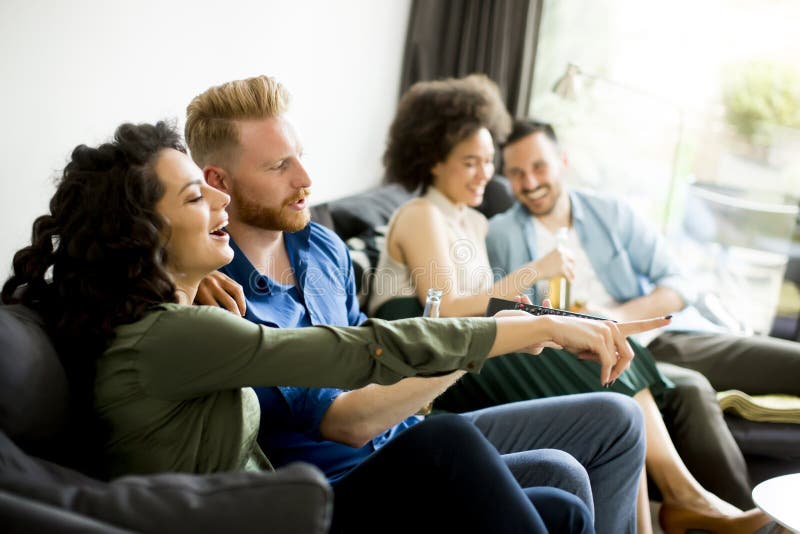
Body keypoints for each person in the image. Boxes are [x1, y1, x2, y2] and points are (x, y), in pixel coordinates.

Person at [185, 74, 653, 534]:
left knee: (576, 467)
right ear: (216, 181)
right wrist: (496, 337)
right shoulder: (213, 292)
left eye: (301, 158)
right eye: (278, 166)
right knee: (445, 440)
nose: (306, 179)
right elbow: (350, 421)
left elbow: (370, 360)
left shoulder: (325, 248)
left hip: (400, 434)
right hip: (335, 487)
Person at [367, 76, 772, 534]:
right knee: (605, 350)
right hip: (432, 350)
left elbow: (487, 305)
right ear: (433, 161)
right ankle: (684, 498)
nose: (486, 173)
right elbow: (449, 308)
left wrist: (534, 311)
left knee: (608, 351)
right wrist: (538, 271)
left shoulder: (475, 223)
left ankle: (663, 513)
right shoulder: (423, 214)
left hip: (474, 342)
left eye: (487, 161)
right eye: (470, 162)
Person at [488, 118, 792, 532]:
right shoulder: (501, 233)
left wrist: (614, 321)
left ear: (562, 162)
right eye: (517, 173)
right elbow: (505, 312)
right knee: (691, 390)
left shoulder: (610, 212)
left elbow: (679, 282)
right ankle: (750, 521)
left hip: (662, 335)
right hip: (595, 356)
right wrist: (590, 331)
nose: (530, 182)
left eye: (539, 167)